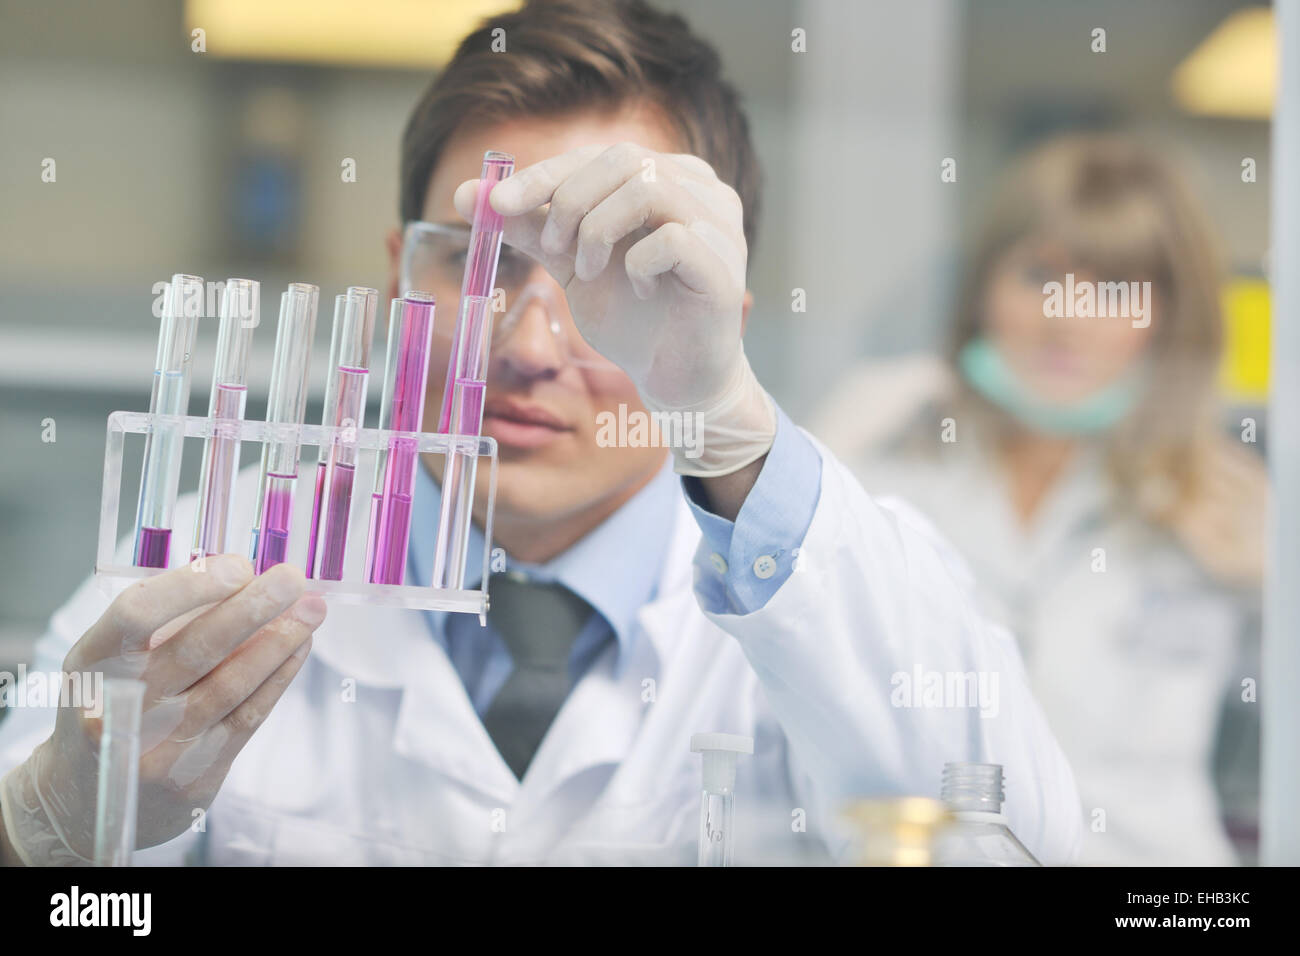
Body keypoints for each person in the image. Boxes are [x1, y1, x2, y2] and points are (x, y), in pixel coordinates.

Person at [0, 0, 1082, 866]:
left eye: (608, 273)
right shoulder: (195, 574)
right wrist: (50, 836)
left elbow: (1025, 845)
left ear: (715, 318)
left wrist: (732, 426)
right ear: (395, 277)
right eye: (477, 262)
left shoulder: (847, 581)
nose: (527, 341)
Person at [812, 133, 1265, 865]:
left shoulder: (1228, 510)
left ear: (1172, 316)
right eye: (1037, 274)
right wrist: (806, 473)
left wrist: (1274, 591)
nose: (1068, 320)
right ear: (981, 290)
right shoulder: (882, 471)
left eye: (1114, 288)